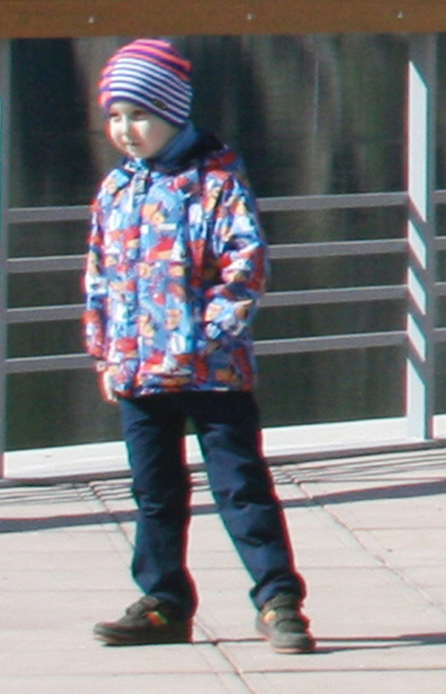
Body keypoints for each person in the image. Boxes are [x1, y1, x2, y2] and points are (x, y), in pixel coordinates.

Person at [79, 40, 311, 654]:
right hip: (138, 371)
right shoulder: (116, 190)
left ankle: (278, 597)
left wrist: (203, 338)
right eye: (117, 117)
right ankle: (164, 600)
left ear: (173, 114)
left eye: (140, 116)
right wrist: (104, 351)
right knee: (154, 491)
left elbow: (246, 267)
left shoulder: (216, 182)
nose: (127, 131)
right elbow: (100, 276)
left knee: (239, 483)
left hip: (213, 373)